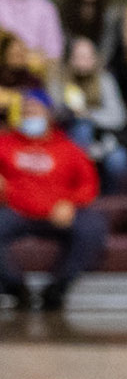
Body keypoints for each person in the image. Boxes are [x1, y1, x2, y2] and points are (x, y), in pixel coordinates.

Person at [0, 90, 106, 310]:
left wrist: (70, 202)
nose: (30, 115)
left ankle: (58, 288)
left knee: (93, 227)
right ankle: (15, 288)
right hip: (14, 210)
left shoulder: (69, 148)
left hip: (57, 214)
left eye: (35, 109)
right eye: (26, 111)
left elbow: (89, 184)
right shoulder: (5, 143)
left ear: (49, 114)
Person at [53, 37, 127, 194]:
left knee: (119, 158)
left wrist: (88, 114)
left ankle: (111, 201)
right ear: (70, 59)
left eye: (87, 57)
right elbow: (52, 115)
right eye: (78, 57)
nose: (83, 62)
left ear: (95, 59)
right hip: (69, 140)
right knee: (82, 126)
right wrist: (69, 111)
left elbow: (119, 117)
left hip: (101, 140)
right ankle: (78, 193)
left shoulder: (105, 80)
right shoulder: (60, 81)